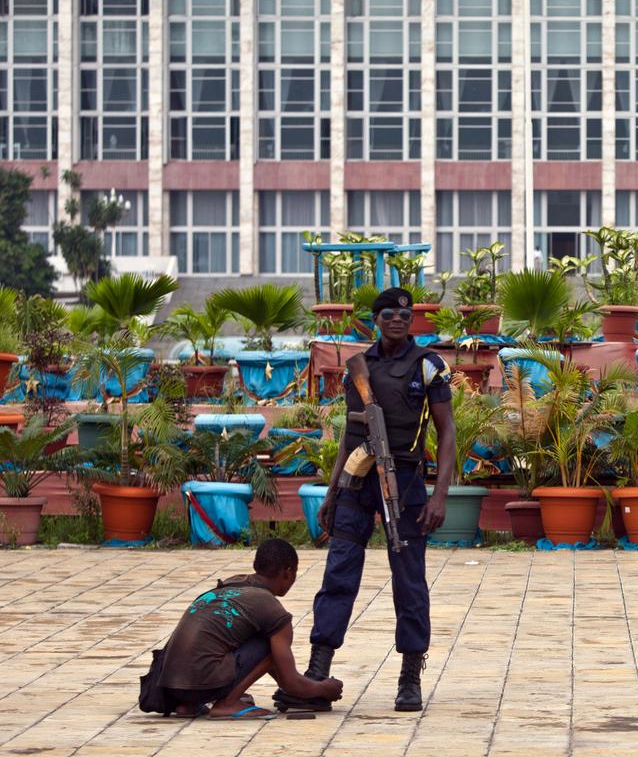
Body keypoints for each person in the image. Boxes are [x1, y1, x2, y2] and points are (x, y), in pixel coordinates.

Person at [274, 286, 457, 714]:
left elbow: (447, 432)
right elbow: (351, 434)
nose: (398, 319)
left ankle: (410, 674)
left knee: (409, 580)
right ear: (375, 320)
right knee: (338, 574)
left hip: (406, 482)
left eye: (405, 315)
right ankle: (318, 671)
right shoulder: (358, 367)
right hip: (357, 483)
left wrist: (440, 494)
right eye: (389, 314)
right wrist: (333, 490)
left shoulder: (428, 366)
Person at [153, 539, 343, 720]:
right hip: (200, 683)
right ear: (288, 572)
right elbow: (290, 682)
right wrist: (324, 689)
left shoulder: (230, 584)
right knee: (271, 644)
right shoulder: (271, 608)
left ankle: (188, 705)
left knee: (232, 637)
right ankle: (228, 703)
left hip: (170, 686)